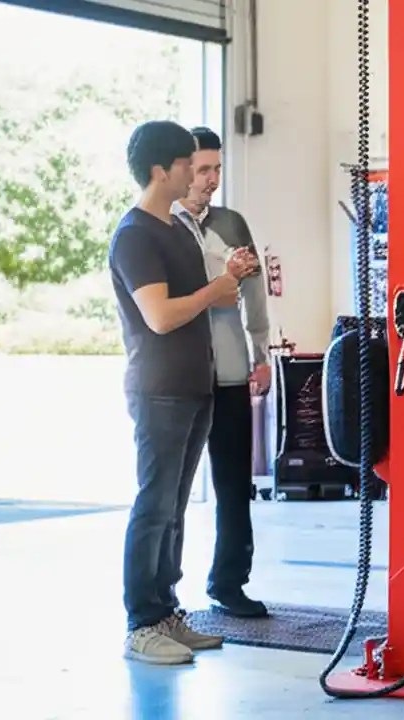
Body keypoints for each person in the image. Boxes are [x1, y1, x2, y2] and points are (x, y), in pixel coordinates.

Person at [110, 120, 260, 665]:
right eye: (185, 164)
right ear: (161, 170)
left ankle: (167, 611)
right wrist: (214, 291)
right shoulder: (136, 236)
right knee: (154, 505)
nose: (195, 174)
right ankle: (141, 622)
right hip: (160, 390)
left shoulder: (175, 230)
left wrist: (227, 285)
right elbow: (160, 315)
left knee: (173, 507)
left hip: (195, 387)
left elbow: (202, 301)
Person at [172, 126, 272, 618]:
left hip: (230, 371)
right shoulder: (161, 226)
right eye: (204, 169)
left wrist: (260, 353)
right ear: (181, 169)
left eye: (217, 169)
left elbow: (254, 292)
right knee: (171, 488)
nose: (212, 179)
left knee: (235, 485)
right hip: (182, 375)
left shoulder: (231, 223)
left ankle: (229, 582)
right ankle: (161, 595)